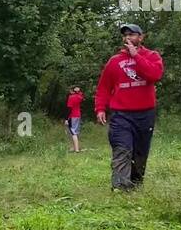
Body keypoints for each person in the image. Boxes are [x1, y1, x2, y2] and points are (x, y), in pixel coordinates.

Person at [95, 24, 164, 191]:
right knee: (122, 148)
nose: (128, 37)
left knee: (140, 152)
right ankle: (120, 187)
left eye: (132, 34)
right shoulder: (114, 61)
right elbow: (103, 87)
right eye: (125, 35)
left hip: (145, 113)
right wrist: (100, 108)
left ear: (141, 37)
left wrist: (136, 56)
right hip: (121, 114)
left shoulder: (152, 56)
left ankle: (135, 184)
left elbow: (154, 75)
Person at [66, 86, 84, 153]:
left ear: (72, 91)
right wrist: (78, 91)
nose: (69, 92)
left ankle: (76, 149)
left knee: (72, 132)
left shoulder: (71, 97)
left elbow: (69, 109)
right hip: (78, 115)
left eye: (70, 90)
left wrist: (66, 118)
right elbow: (81, 95)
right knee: (75, 131)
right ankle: (74, 147)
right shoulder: (79, 96)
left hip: (72, 116)